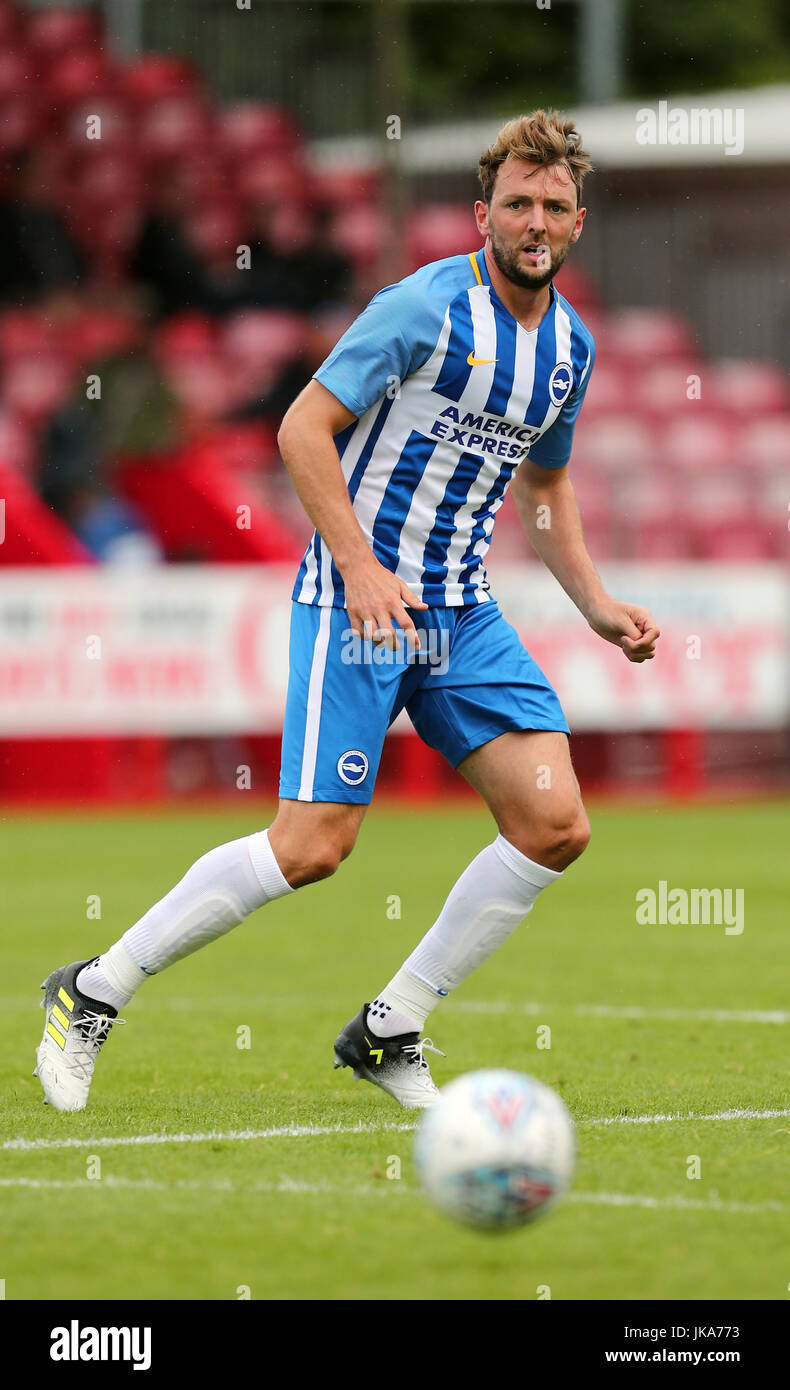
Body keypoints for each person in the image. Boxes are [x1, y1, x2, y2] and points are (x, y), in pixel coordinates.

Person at [34, 109, 659, 1113]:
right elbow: (301, 428)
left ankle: (390, 1026)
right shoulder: (420, 308)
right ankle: (93, 987)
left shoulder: (567, 352)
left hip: (460, 612)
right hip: (354, 600)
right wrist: (362, 569)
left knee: (553, 821)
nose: (533, 220)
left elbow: (544, 484)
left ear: (577, 222)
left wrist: (592, 601)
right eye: (516, 203)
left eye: (553, 205)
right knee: (312, 846)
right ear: (480, 215)